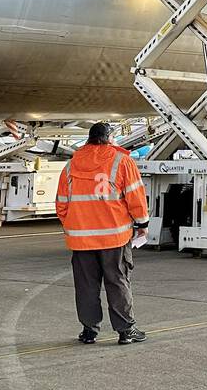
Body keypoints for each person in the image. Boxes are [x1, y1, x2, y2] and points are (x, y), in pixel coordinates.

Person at [56, 122, 150, 344]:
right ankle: (126, 331)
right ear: (109, 138)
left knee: (86, 285)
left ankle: (89, 331)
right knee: (117, 281)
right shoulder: (121, 161)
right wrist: (142, 224)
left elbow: (61, 205)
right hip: (114, 237)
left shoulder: (71, 165)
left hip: (81, 240)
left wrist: (76, 225)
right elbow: (135, 196)